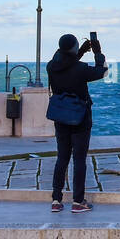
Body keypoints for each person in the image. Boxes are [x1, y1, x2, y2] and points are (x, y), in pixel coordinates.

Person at [45, 33, 107, 213]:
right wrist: (97, 52)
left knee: (62, 158)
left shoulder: (51, 67)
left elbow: (64, 63)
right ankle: (78, 201)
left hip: (60, 117)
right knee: (79, 159)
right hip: (81, 118)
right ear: (73, 49)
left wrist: (79, 51)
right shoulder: (81, 69)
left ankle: (56, 200)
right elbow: (101, 71)